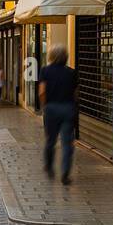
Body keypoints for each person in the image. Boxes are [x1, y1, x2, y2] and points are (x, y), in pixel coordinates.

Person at [38, 46, 78, 185]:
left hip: (52, 108)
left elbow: (42, 92)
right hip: (68, 108)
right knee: (67, 144)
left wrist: (45, 107)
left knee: (51, 140)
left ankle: (49, 166)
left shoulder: (45, 71)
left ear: (51, 56)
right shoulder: (71, 73)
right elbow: (75, 93)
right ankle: (65, 173)